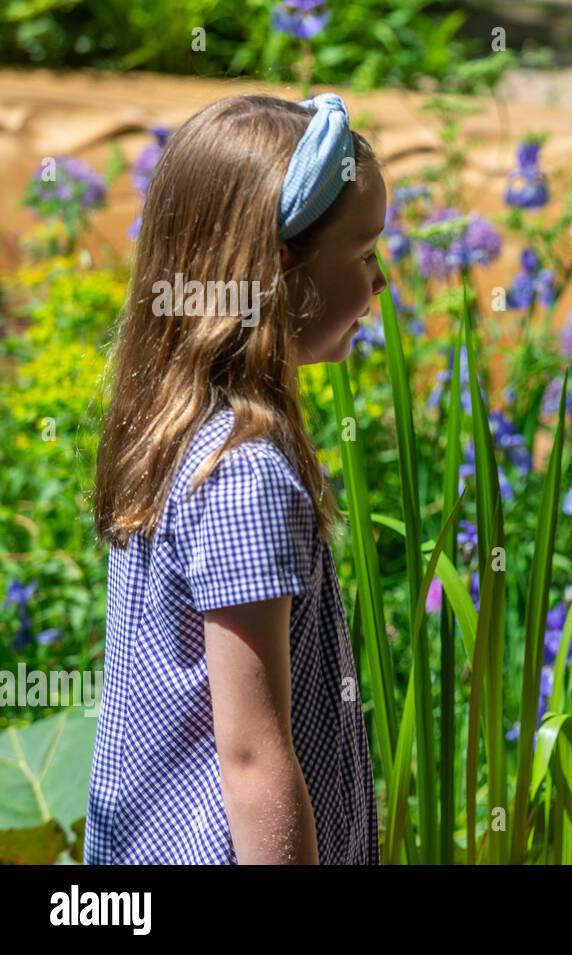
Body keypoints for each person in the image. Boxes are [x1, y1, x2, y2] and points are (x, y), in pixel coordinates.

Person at [87, 92, 387, 864]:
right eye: (362, 254)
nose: (380, 282)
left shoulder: (176, 428)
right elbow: (252, 757)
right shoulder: (245, 472)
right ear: (279, 265)